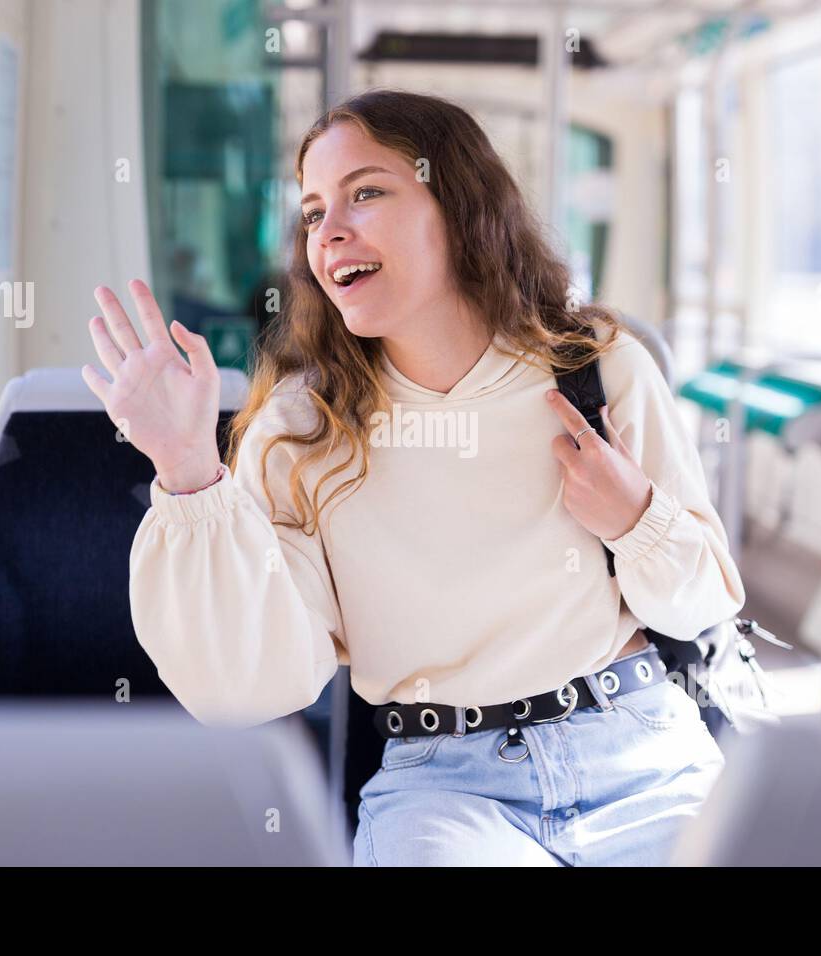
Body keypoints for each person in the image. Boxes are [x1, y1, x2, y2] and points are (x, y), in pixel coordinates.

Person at [82, 89, 745, 866]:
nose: (330, 231)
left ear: (460, 207)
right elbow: (258, 684)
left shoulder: (597, 369)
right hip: (445, 793)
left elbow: (702, 603)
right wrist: (188, 468)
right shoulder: (298, 431)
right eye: (313, 212)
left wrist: (634, 518)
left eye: (367, 192)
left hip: (643, 753)